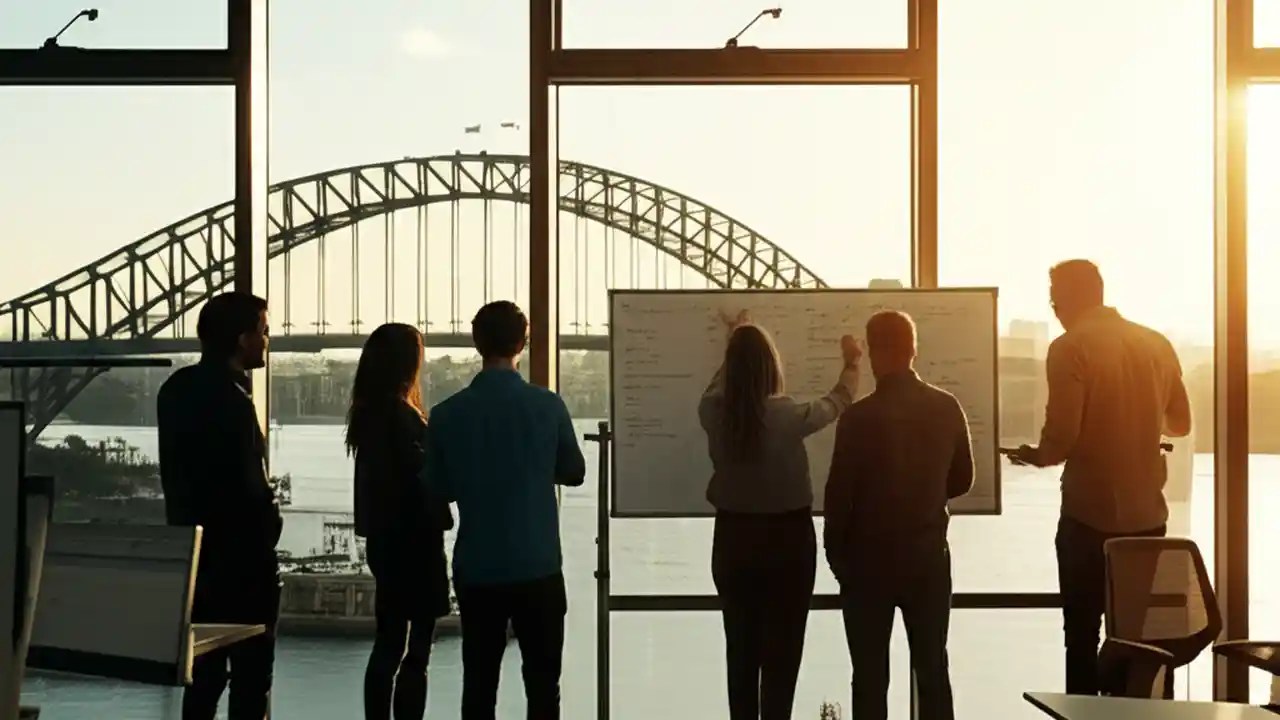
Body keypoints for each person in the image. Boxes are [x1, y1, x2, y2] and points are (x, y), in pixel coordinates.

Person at [1011, 259, 1192, 696]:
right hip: (1147, 520)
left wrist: (1036, 456)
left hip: (1088, 518)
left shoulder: (1070, 347)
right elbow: (1181, 422)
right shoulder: (1155, 343)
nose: (1054, 308)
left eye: (1054, 299)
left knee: (1081, 635)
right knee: (1139, 641)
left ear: (1069, 298)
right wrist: (1139, 419)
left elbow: (1062, 436)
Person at [422, 300, 586, 720]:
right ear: (523, 342)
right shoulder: (548, 406)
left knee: (479, 686)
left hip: (478, 568)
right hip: (538, 565)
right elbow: (574, 471)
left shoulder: (446, 415)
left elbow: (437, 489)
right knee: (544, 688)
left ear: (477, 343)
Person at [698, 310, 861, 720]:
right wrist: (852, 362)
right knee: (783, 655)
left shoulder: (712, 413)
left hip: (733, 539)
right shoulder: (789, 416)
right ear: (772, 367)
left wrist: (734, 344)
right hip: (789, 543)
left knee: (740, 650)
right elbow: (838, 401)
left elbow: (717, 387)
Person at [824, 310, 973, 720]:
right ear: (913, 350)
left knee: (869, 677)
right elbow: (963, 479)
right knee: (932, 670)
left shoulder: (857, 418)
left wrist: (839, 561)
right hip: (928, 559)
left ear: (874, 354)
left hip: (867, 565)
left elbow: (838, 498)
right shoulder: (946, 407)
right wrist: (926, 494)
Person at [157, 291, 281, 720]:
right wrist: (271, 525)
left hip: (196, 558)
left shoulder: (175, 390)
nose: (267, 341)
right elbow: (250, 485)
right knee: (251, 680)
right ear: (243, 339)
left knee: (203, 677)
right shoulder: (234, 401)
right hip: (245, 565)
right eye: (263, 331)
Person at [347, 323, 454, 720]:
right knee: (417, 650)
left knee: (388, 642)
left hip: (385, 541)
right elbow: (426, 478)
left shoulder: (369, 415)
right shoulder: (403, 418)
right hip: (417, 542)